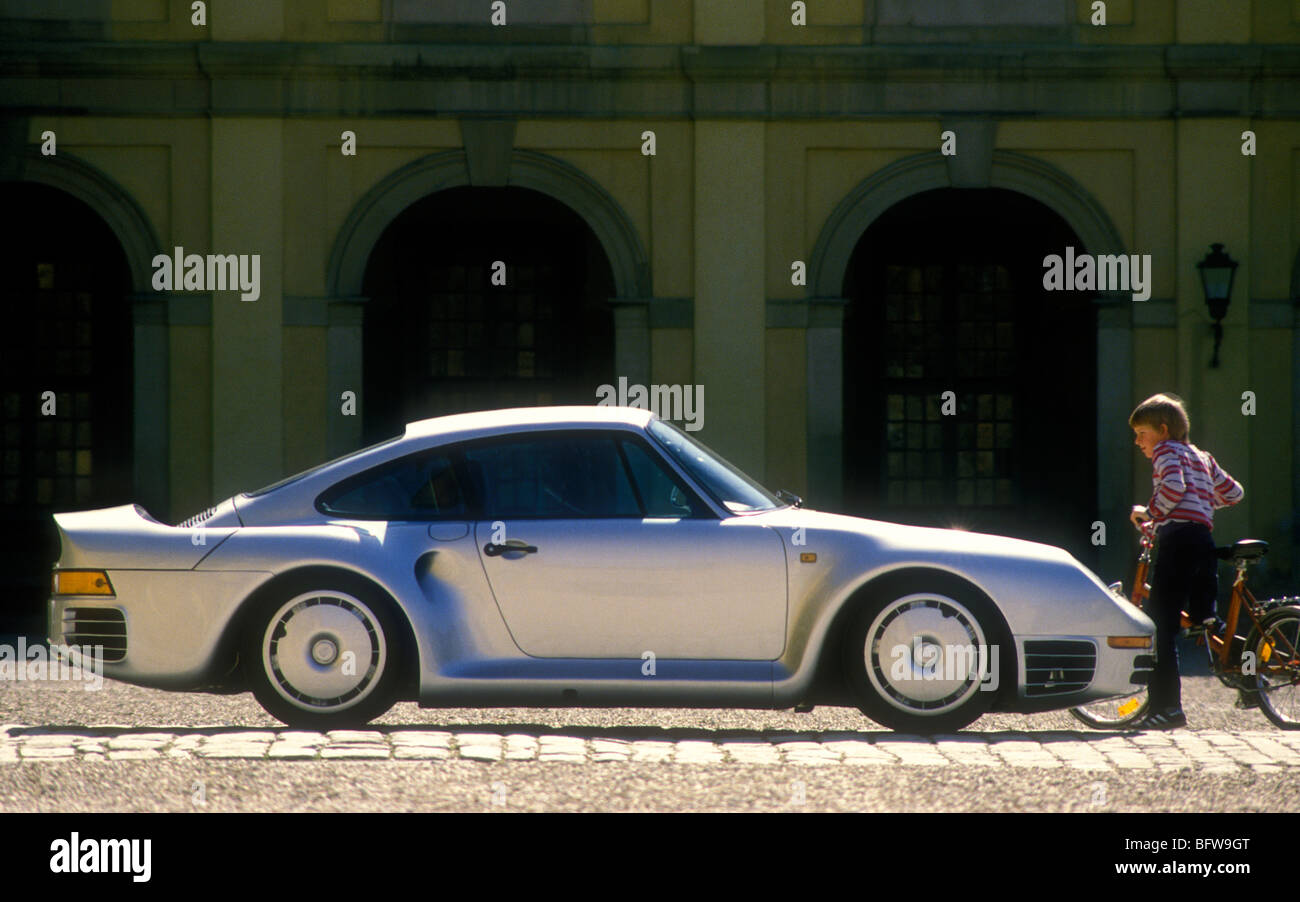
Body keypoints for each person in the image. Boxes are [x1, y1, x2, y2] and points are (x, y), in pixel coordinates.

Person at [1127, 393, 1243, 730]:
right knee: (1202, 617)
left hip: (1177, 541)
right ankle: (1242, 665)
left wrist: (1150, 512)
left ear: (1162, 431)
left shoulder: (1165, 451)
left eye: (1141, 434)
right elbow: (1234, 493)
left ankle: (1168, 710)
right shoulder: (1201, 455)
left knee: (1161, 628)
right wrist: (1202, 502)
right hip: (1202, 541)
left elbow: (1174, 487)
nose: (1138, 442)